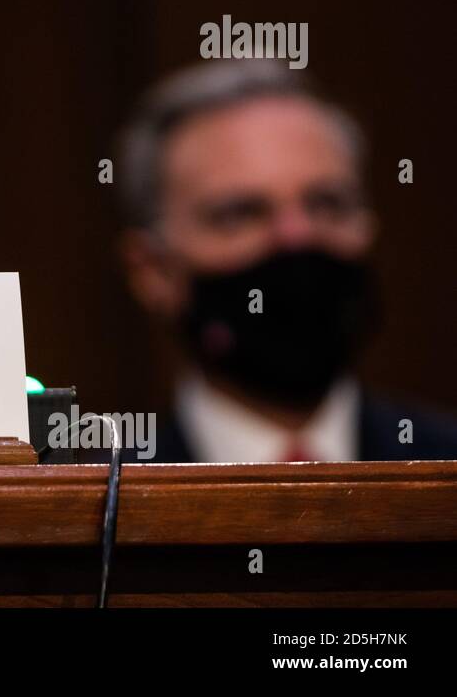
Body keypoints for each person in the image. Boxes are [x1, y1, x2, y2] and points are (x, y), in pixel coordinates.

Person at [117, 58, 457, 462]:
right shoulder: (101, 501)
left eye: (327, 204)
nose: (297, 237)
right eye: (240, 213)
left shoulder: (444, 466)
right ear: (153, 270)